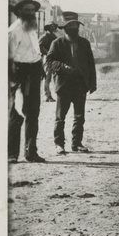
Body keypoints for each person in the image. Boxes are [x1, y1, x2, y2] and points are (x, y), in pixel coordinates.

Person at [44, 11, 98, 155]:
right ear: (64, 28)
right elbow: (50, 61)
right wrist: (62, 67)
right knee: (60, 117)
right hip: (64, 85)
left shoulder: (84, 43)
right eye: (70, 26)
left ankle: (76, 143)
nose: (74, 28)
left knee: (79, 116)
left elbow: (90, 64)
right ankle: (59, 144)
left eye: (76, 25)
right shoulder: (57, 43)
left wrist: (92, 83)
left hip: (80, 85)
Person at [8, 0, 46, 163]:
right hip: (18, 73)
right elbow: (8, 58)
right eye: (27, 10)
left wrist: (40, 68)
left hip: (34, 71)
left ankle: (31, 152)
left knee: (33, 112)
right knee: (15, 114)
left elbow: (34, 53)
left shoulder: (31, 28)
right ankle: (11, 154)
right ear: (19, 12)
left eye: (33, 10)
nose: (31, 13)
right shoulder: (13, 31)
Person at [39, 21, 60, 102]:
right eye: (51, 26)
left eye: (53, 26)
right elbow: (39, 46)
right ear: (47, 27)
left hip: (54, 58)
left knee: (56, 76)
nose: (52, 28)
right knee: (47, 77)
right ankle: (46, 95)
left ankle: (57, 94)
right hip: (47, 58)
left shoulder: (54, 36)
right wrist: (47, 53)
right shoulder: (45, 36)